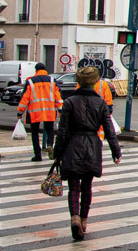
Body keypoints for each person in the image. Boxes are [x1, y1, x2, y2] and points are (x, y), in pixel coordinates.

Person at [51, 65, 122, 240]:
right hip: (92, 146)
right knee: (87, 186)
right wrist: (116, 151)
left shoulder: (69, 102)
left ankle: (74, 217)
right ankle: (83, 220)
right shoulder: (101, 103)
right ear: (95, 82)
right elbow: (109, 130)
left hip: (72, 145)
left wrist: (57, 152)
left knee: (74, 187)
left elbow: (62, 131)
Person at [17, 63, 62, 161]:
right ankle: (49, 145)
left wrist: (20, 112)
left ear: (36, 70)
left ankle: (37, 154)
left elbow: (25, 98)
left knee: (35, 133)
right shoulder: (52, 80)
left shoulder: (30, 81)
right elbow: (57, 95)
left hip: (35, 111)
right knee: (50, 130)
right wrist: (60, 109)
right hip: (49, 110)